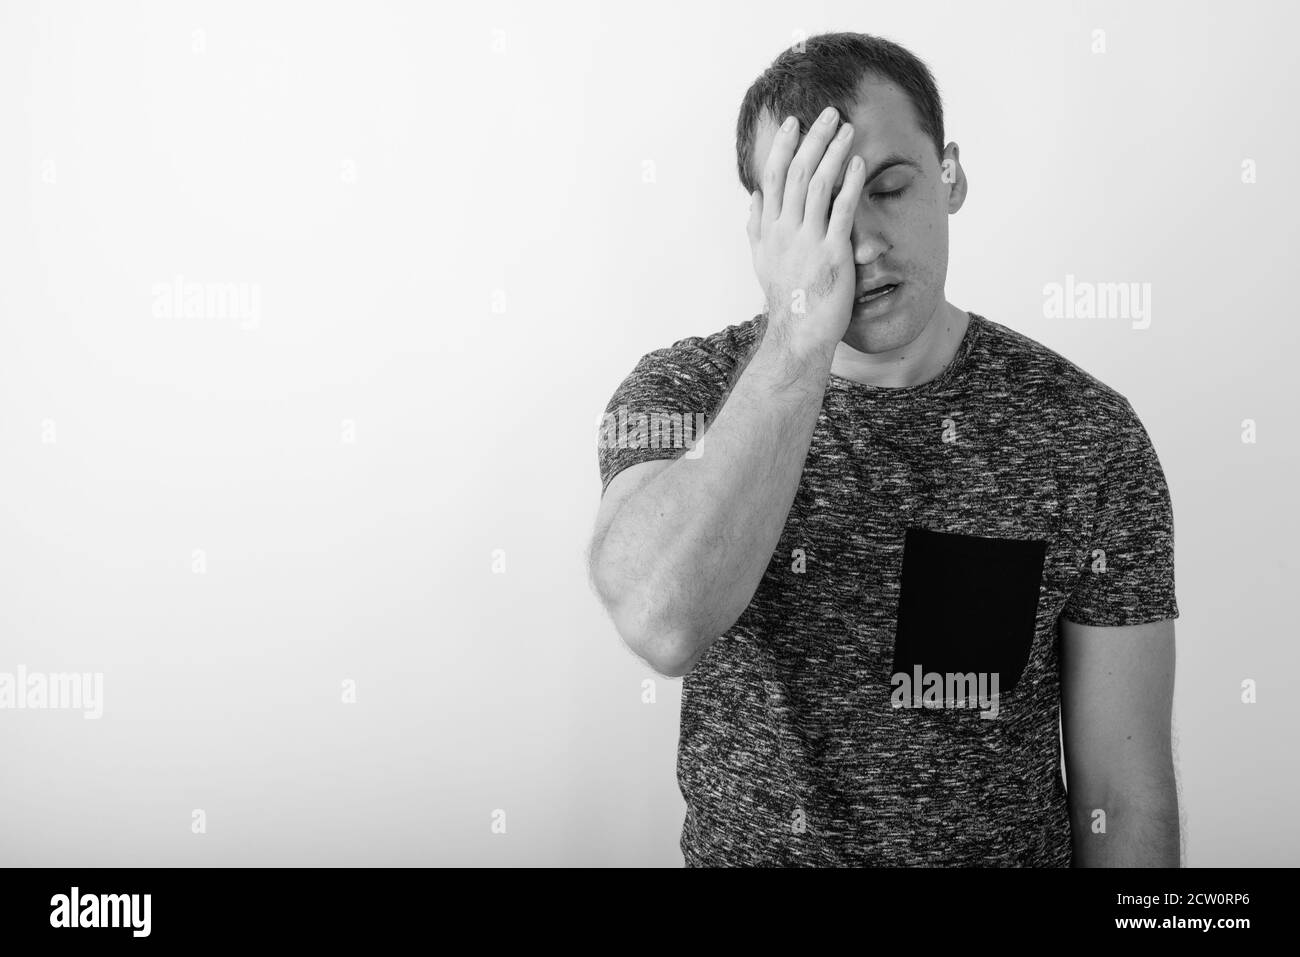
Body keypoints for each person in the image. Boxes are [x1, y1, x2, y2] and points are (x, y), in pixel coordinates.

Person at [588, 32, 1179, 867]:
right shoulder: (682, 394)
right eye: (817, 207)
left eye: (889, 188)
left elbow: (1123, 795)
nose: (860, 245)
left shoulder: (1088, 433)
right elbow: (660, 619)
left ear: (952, 175)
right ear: (765, 226)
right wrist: (799, 338)